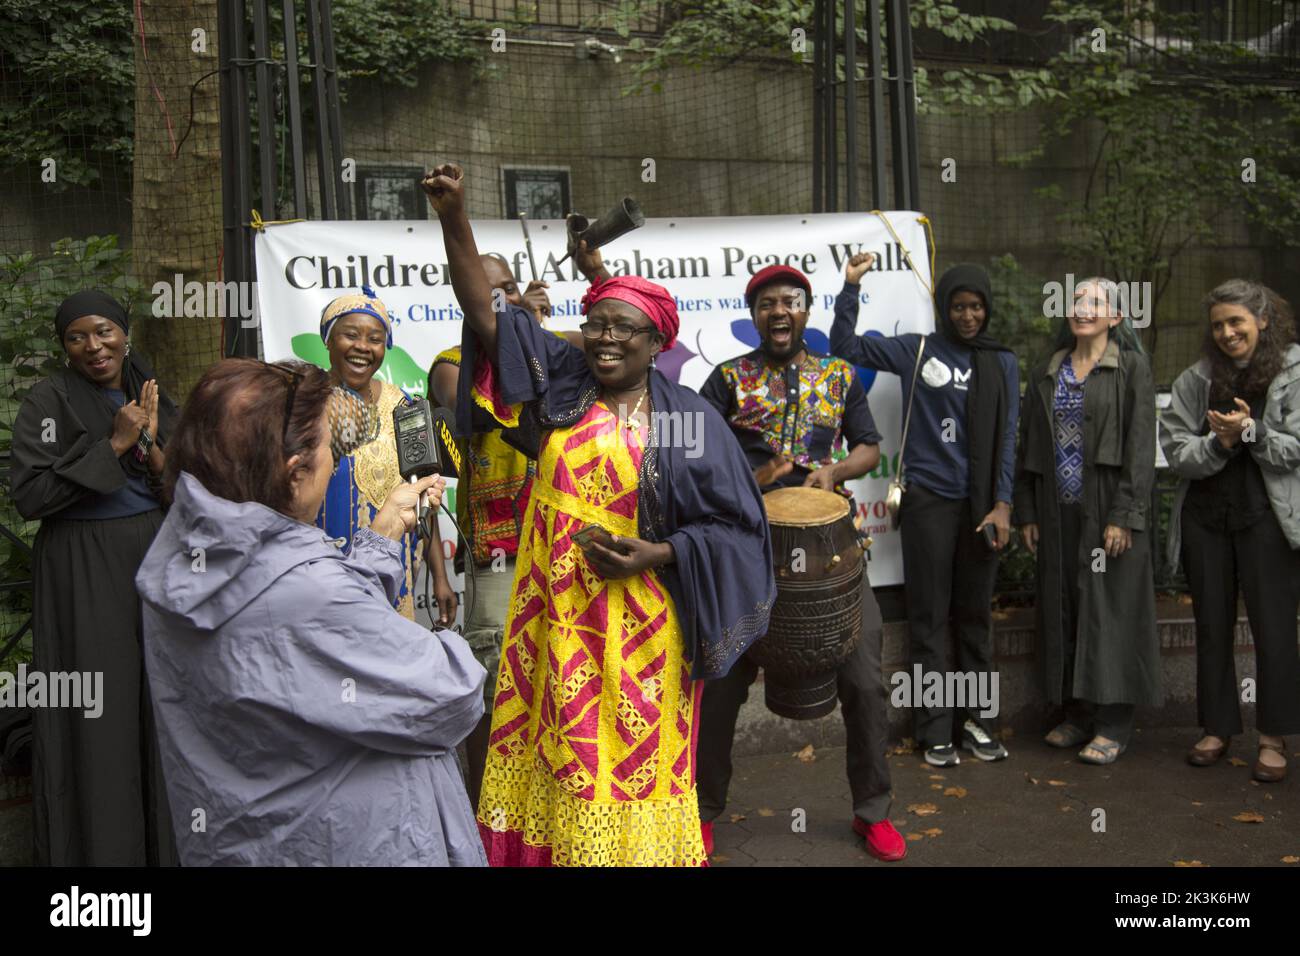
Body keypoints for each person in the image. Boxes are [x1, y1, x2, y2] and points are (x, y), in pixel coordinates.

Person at [423, 163, 776, 866]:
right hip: (549, 619)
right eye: (596, 326)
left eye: (624, 330)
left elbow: (737, 530)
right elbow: (487, 317)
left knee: (618, 773)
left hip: (641, 631)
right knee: (554, 761)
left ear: (656, 343)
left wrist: (661, 552)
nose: (606, 339)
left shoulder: (687, 422)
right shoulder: (562, 391)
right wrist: (453, 217)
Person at [135, 358, 487, 865]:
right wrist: (449, 646)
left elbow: (313, 652)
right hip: (353, 844)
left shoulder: (183, 554)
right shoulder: (305, 591)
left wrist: (381, 539)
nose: (333, 459)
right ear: (296, 472)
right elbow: (451, 695)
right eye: (328, 449)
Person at [694, 255, 906, 862]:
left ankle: (873, 812)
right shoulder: (727, 378)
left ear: (805, 312)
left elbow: (869, 446)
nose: (778, 312)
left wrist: (834, 471)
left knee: (866, 680)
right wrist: (754, 477)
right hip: (745, 552)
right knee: (719, 682)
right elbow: (700, 458)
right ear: (755, 315)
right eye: (767, 303)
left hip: (832, 557)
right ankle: (704, 811)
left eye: (789, 301)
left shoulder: (840, 376)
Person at [9, 290, 177, 866]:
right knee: (99, 714)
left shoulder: (150, 391)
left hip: (155, 558)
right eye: (77, 336)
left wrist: (151, 442)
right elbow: (30, 496)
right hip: (83, 567)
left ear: (125, 334)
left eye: (103, 331)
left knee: (161, 705)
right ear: (64, 347)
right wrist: (115, 443)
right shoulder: (47, 401)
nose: (93, 346)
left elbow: (180, 487)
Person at [830, 260, 1018, 767]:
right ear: (944, 308)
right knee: (929, 618)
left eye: (976, 306)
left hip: (980, 507)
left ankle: (979, 721)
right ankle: (934, 728)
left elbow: (1008, 439)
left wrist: (1003, 504)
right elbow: (845, 346)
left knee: (975, 617)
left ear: (987, 309)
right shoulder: (918, 349)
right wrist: (851, 286)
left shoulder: (1001, 362)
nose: (968, 316)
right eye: (958, 306)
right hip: (928, 501)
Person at [427, 255, 588, 807]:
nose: (503, 301)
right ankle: (484, 812)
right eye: (489, 292)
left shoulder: (548, 355)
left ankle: (543, 811)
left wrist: (540, 340)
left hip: (560, 546)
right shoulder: (451, 365)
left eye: (510, 290)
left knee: (560, 678)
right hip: (497, 556)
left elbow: (607, 348)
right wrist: (531, 346)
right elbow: (493, 410)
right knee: (493, 683)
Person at [1013, 278, 1161, 764]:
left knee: (1111, 612)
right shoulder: (1048, 372)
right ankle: (1077, 714)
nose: (1083, 309)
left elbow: (1140, 449)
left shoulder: (1131, 368)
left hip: (1107, 512)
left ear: (1116, 317)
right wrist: (1030, 513)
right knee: (1068, 610)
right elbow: (1031, 447)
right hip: (1060, 513)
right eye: (1078, 302)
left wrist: (1124, 515)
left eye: (1096, 303)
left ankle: (1114, 724)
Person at [1159, 280, 1300, 782]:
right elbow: (1177, 450)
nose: (1226, 332)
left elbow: (1296, 446)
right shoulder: (1195, 379)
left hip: (1267, 518)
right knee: (1212, 627)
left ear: (1262, 320)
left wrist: (1251, 432)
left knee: (1275, 629)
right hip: (1206, 518)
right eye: (1218, 324)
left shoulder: (1293, 371)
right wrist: (1217, 445)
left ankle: (1273, 737)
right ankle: (1217, 728)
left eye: (1236, 321)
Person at [315, 286, 423, 619]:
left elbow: (421, 489)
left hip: (393, 569)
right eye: (350, 335)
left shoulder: (403, 405)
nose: (363, 347)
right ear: (329, 340)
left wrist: (440, 576)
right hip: (323, 572)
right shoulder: (307, 402)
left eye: (375, 339)